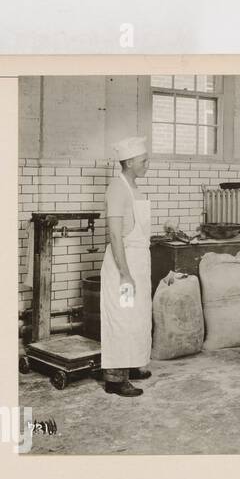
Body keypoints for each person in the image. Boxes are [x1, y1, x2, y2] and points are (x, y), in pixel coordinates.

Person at [99, 136, 153, 397]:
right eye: (144, 161)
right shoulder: (117, 189)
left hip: (138, 263)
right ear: (130, 162)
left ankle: (130, 364)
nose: (147, 165)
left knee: (136, 315)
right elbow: (114, 235)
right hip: (124, 265)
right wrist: (124, 274)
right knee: (122, 317)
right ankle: (114, 378)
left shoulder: (133, 188)